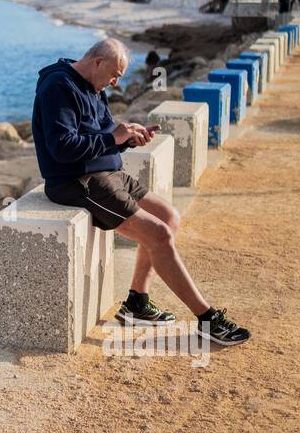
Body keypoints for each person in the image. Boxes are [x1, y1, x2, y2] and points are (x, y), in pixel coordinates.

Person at [31, 39, 252, 345]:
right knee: (158, 234)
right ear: (97, 62)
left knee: (169, 216)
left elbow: (105, 131)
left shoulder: (93, 85)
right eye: (115, 75)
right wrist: (113, 140)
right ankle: (207, 318)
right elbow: (62, 148)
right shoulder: (58, 86)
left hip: (107, 171)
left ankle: (136, 301)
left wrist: (127, 137)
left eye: (119, 76)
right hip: (77, 181)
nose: (116, 82)